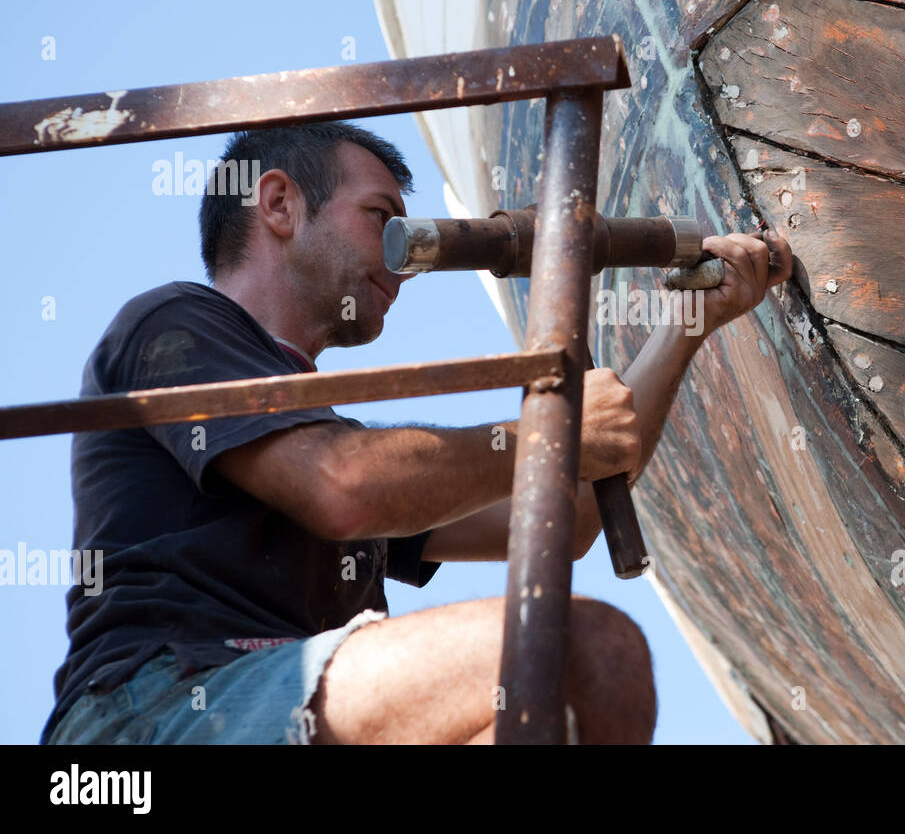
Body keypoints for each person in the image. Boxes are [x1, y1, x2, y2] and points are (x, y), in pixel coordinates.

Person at [41, 121, 793, 745]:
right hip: (155, 714)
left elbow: (568, 521)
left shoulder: (333, 443)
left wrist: (686, 326)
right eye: (381, 217)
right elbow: (343, 489)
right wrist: (549, 433)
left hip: (287, 701)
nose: (403, 262)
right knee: (591, 651)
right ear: (278, 203)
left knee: (545, 715)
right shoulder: (173, 326)